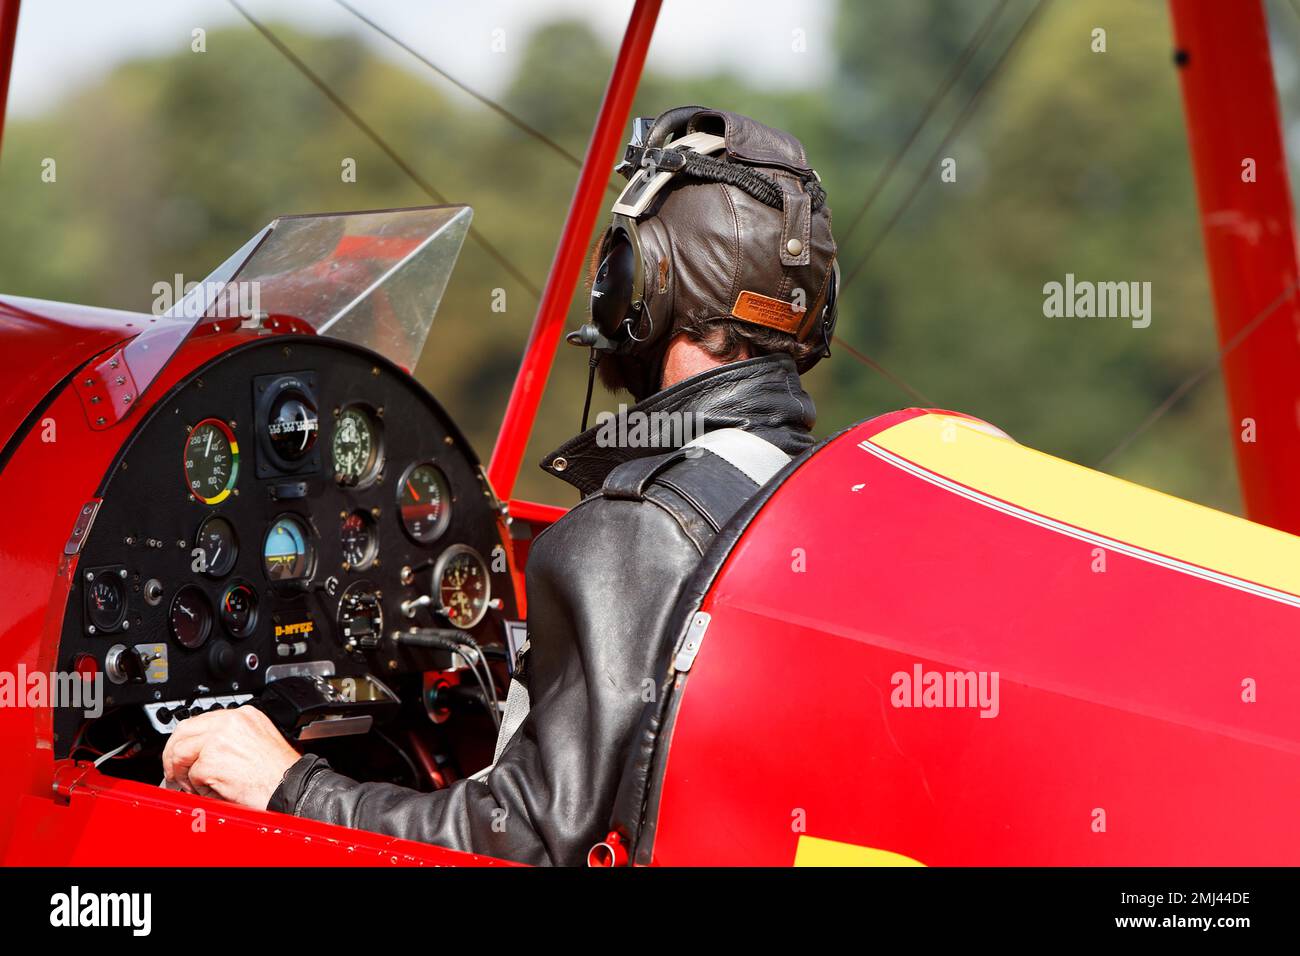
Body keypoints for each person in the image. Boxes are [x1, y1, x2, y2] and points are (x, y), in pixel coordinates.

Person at [162, 106, 839, 866]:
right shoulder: (815, 501)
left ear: (634, 287)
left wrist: (290, 785)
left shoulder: (634, 528)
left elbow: (523, 841)